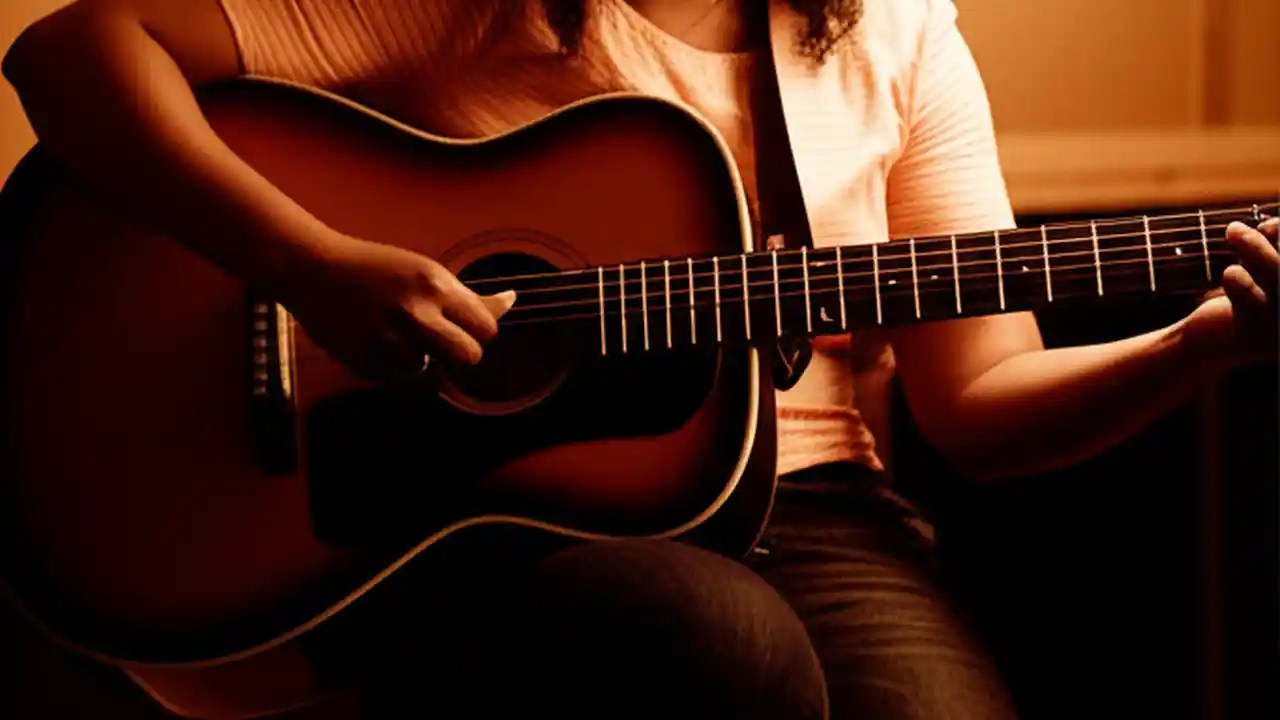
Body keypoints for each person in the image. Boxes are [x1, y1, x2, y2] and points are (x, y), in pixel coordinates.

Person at [3, 1, 1275, 718]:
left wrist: (1204, 341)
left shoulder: (899, 37)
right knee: (721, 654)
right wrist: (304, 262)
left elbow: (983, 404)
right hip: (525, 511)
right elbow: (70, 54)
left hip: (821, 509)